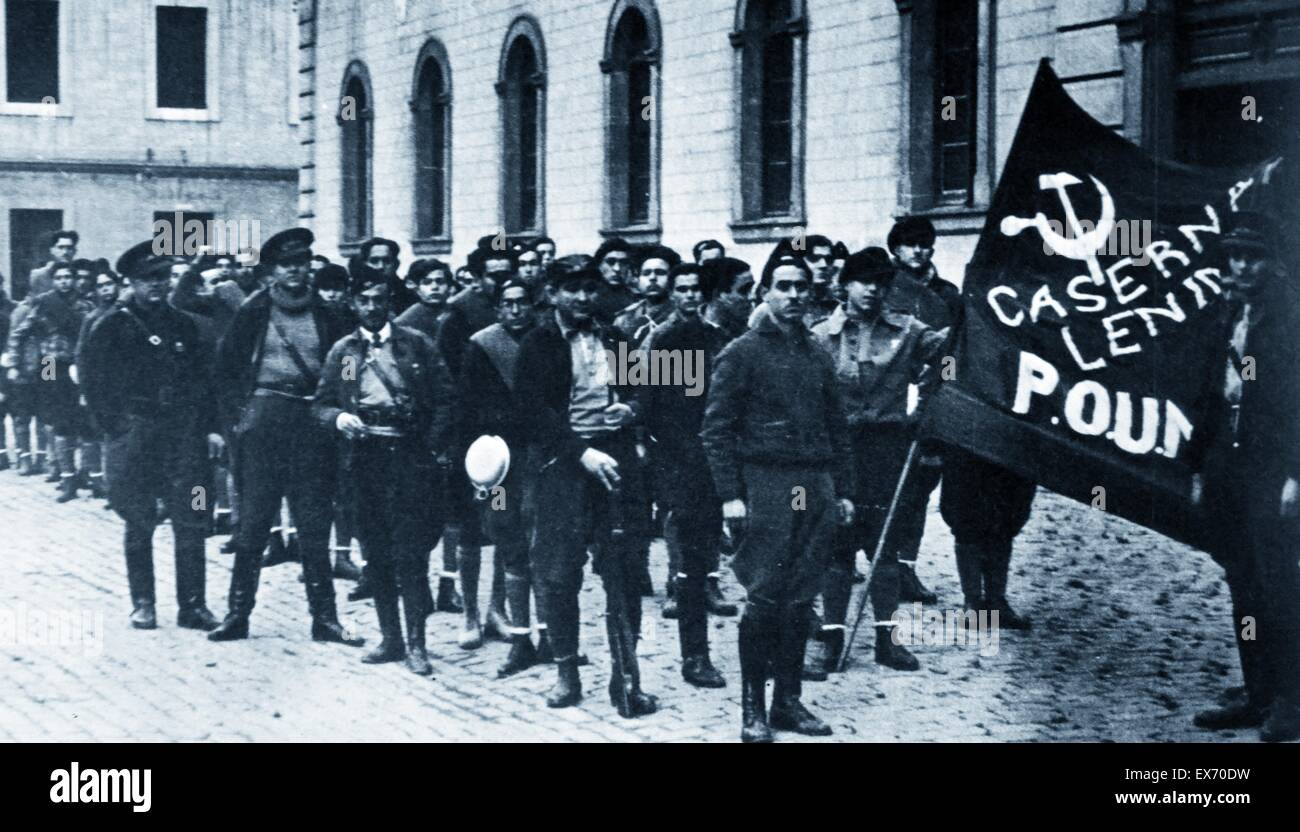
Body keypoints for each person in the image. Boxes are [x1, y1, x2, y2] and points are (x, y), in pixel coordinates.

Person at [701, 249, 854, 742]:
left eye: (801, 287)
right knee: (765, 598)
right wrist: (730, 496)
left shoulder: (817, 352)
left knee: (801, 598)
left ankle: (788, 700)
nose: (793, 296)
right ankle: (753, 708)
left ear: (811, 295)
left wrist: (843, 490)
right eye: (783, 286)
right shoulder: (742, 351)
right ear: (765, 291)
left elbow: (838, 425)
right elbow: (716, 430)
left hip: (814, 486)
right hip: (767, 484)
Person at [515, 258, 658, 716]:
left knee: (623, 570)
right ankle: (566, 672)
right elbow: (533, 412)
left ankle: (626, 678)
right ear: (553, 293)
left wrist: (630, 410)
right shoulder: (537, 344)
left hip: (615, 465)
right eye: (572, 289)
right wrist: (580, 451)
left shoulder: (617, 338)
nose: (582, 298)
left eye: (589, 289)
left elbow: (644, 389)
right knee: (559, 573)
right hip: (563, 467)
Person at [207, 228, 362, 647]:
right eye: (286, 264)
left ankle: (325, 619)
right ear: (271, 271)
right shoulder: (254, 311)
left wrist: (343, 403)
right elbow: (226, 371)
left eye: (302, 262)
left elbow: (348, 363)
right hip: (264, 423)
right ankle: (237, 615)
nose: (296, 271)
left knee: (314, 523)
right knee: (254, 523)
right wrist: (238, 421)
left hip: (312, 422)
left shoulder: (328, 313)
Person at [807, 247, 949, 676]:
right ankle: (831, 638)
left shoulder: (908, 330)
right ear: (844, 284)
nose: (872, 289)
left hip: (887, 449)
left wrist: (928, 401)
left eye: (881, 283)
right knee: (837, 548)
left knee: (884, 546)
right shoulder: (818, 335)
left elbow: (950, 353)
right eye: (863, 280)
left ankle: (889, 640)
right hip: (837, 450)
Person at [1187, 212, 1300, 743]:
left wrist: (1296, 476)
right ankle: (1257, 690)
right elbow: (1208, 394)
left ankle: (1290, 699)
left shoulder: (1292, 319)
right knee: (1243, 583)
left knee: (1279, 585)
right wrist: (1196, 466)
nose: (1241, 266)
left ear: (1273, 264)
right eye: (1233, 256)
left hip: (1273, 471)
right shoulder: (1228, 312)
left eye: (1252, 256)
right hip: (1227, 468)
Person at [313, 262, 454, 675]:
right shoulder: (346, 353)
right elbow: (324, 403)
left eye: (379, 300)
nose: (372, 307)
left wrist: (430, 446)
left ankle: (416, 644)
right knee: (375, 552)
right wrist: (340, 419)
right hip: (364, 460)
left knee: (411, 553)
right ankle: (390, 638)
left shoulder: (416, 345)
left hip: (410, 457)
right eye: (364, 300)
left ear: (391, 303)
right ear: (354, 304)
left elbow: (446, 399)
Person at [77, 241, 221, 631]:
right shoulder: (112, 324)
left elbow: (203, 382)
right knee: (138, 518)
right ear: (132, 282)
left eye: (163, 277)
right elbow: (93, 384)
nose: (156, 286)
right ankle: (143, 603)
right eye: (148, 279)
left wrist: (209, 428)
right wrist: (116, 430)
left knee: (192, 516)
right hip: (136, 434)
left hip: (183, 435)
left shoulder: (184, 324)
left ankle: (193, 605)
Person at [640, 263, 729, 688]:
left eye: (697, 289)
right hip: (681, 463)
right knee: (691, 562)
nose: (691, 296)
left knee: (718, 550)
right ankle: (695, 657)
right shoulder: (662, 340)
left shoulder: (718, 339)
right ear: (673, 294)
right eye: (683, 289)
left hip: (720, 460)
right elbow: (646, 407)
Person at [459, 277, 543, 676]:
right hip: (498, 463)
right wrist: (479, 472)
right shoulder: (481, 345)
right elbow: (470, 405)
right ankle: (478, 616)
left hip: (537, 456)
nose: (515, 310)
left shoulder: (546, 340)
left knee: (534, 535)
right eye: (507, 303)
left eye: (522, 302)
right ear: (498, 309)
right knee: (499, 527)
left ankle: (505, 610)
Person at [880, 216, 963, 605]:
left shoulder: (948, 295)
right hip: (888, 401)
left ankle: (906, 568)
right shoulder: (883, 288)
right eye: (910, 243)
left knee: (918, 489)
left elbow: (959, 347)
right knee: (884, 488)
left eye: (925, 243)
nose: (918, 250)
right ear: (895, 247)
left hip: (934, 402)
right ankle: (882, 561)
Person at [6, 262, 89, 501]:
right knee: (53, 414)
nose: (65, 281)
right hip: (50, 364)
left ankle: (86, 472)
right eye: (60, 277)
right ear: (54, 280)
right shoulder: (43, 302)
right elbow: (21, 333)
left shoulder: (84, 304)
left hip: (76, 364)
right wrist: (13, 363)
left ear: (74, 280)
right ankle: (62, 472)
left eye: (68, 277)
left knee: (82, 417)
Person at [73, 264, 122, 500]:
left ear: (118, 286)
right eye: (100, 286)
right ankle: (105, 484)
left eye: (109, 284)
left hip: (128, 388)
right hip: (103, 388)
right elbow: (82, 356)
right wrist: (85, 389)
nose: (105, 290)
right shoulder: (92, 318)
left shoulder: (128, 314)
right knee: (104, 436)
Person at [701, 257, 754, 344]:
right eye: (744, 291)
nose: (752, 297)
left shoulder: (755, 329)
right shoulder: (685, 337)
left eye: (752, 289)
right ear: (717, 295)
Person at [591, 238, 635, 325]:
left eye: (623, 263)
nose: (617, 269)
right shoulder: (589, 298)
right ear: (599, 265)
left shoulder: (634, 299)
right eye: (610, 262)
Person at [27, 229, 78, 299]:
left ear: (75, 251)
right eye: (60, 247)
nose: (65, 252)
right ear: (52, 250)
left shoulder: (79, 274)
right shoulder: (39, 275)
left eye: (69, 248)